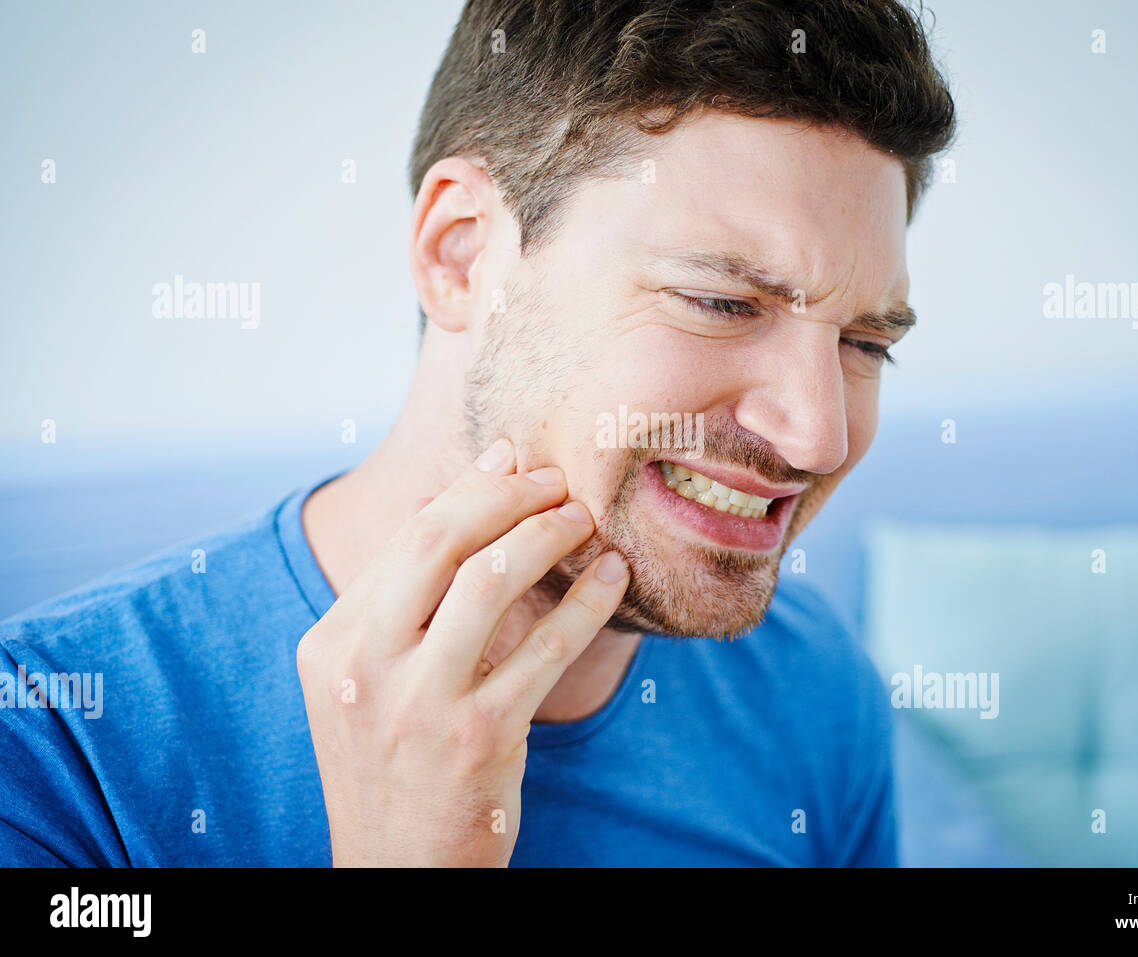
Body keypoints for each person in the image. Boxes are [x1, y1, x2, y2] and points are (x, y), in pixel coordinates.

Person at [0, 0, 955, 866]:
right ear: (462, 257)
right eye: (721, 301)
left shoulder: (816, 688)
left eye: (866, 342)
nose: (818, 435)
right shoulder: (55, 741)